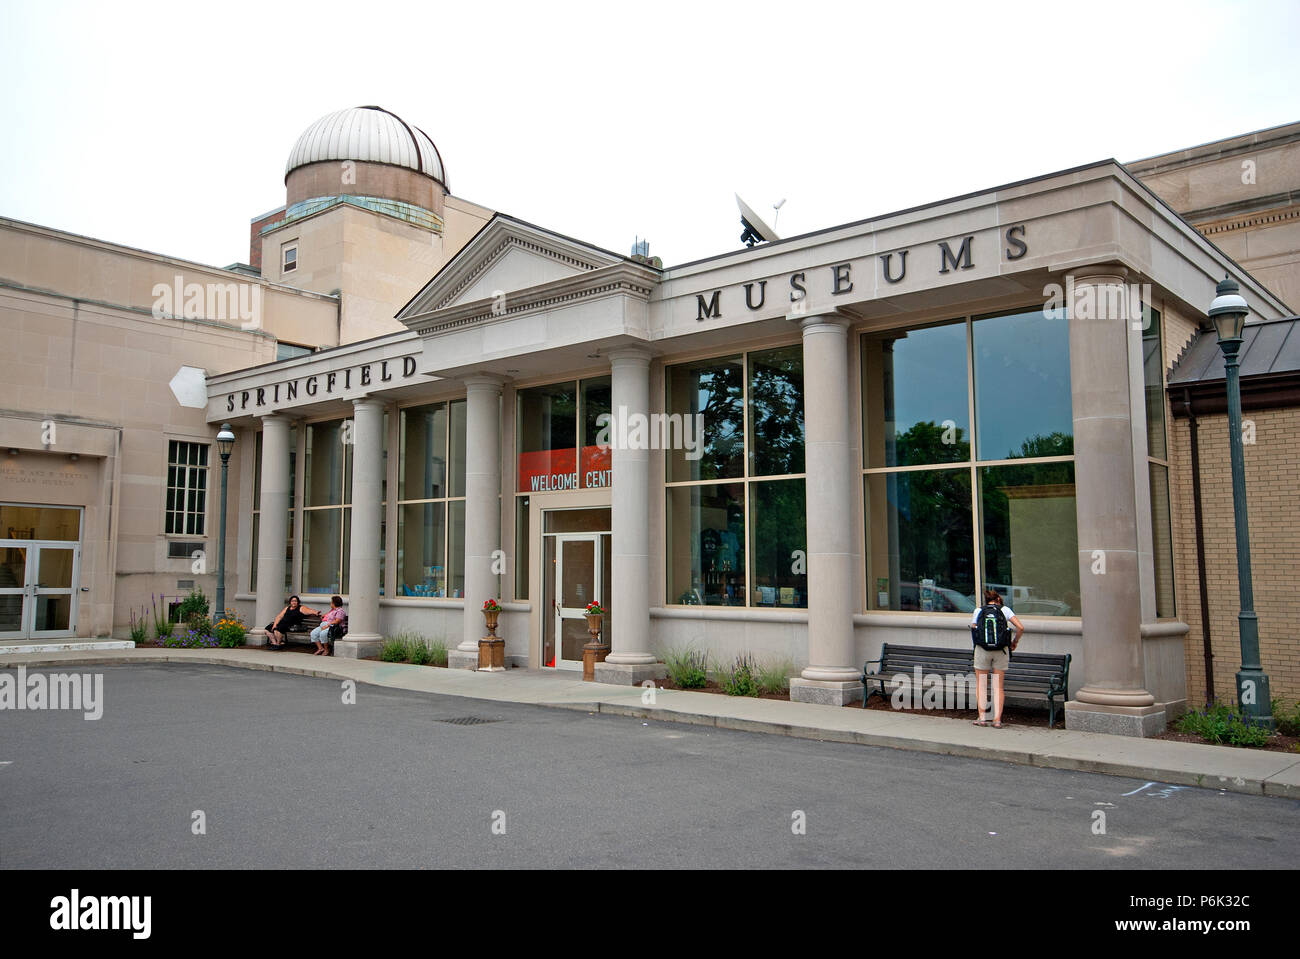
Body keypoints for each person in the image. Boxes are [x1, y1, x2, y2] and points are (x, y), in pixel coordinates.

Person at [969, 589, 1024, 728]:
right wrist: (1014, 642)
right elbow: (1020, 627)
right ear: (998, 599)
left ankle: (982, 718)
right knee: (998, 686)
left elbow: (974, 629)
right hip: (1001, 650)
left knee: (982, 684)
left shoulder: (978, 610)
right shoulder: (1005, 610)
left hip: (982, 650)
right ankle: (997, 720)